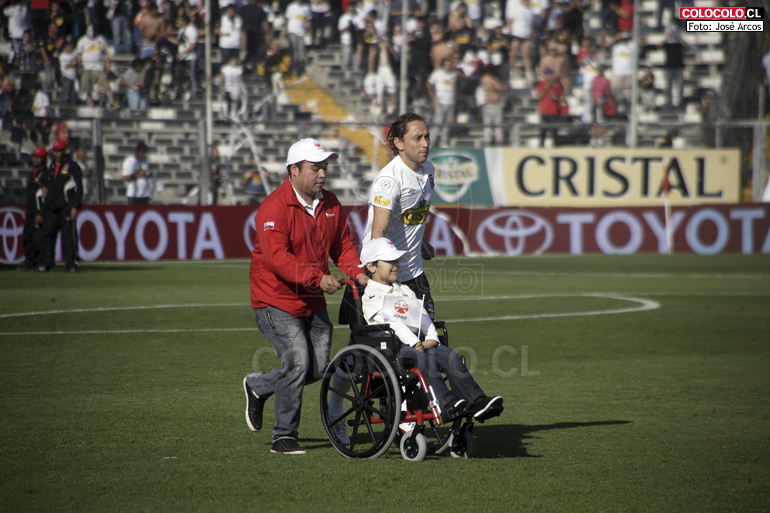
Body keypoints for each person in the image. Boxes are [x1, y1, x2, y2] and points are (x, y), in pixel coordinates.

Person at [243, 138, 368, 455]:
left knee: (316, 367)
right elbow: (278, 259)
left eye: (325, 167)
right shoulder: (273, 207)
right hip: (274, 299)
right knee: (298, 361)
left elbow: (344, 248)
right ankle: (283, 436)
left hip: (311, 299)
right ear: (294, 170)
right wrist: (318, 277)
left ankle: (259, 386)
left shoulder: (331, 204)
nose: (322, 174)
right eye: (315, 168)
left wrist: (360, 274)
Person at [359, 237, 504, 422]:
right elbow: (393, 324)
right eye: (390, 261)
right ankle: (446, 404)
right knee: (419, 357)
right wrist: (416, 343)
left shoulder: (405, 290)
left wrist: (433, 337)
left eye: (396, 260)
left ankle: (476, 400)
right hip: (391, 350)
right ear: (371, 267)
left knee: (447, 354)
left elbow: (421, 316)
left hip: (415, 343)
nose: (396, 265)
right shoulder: (371, 296)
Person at [362, 112, 436, 320]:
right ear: (399, 143)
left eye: (427, 137)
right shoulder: (390, 180)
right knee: (387, 343)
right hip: (389, 277)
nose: (425, 143)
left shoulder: (429, 170)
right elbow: (378, 232)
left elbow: (410, 215)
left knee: (428, 337)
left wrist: (422, 242)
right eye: (417, 138)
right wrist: (383, 281)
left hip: (415, 274)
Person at [36, 138, 83, 273]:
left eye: (58, 151)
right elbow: (47, 180)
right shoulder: (51, 166)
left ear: (64, 151)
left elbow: (79, 188)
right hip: (51, 207)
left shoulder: (73, 167)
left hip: (66, 207)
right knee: (47, 236)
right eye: (54, 151)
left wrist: (75, 205)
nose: (55, 154)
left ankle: (71, 264)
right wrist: (44, 185)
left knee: (68, 237)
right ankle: (47, 263)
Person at [76, 25, 118, 108]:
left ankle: (112, 102)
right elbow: (79, 55)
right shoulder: (82, 41)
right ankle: (90, 102)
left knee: (105, 86)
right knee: (88, 87)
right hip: (87, 68)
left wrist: (108, 66)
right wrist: (79, 67)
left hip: (99, 67)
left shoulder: (101, 39)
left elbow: (105, 54)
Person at [21, 147, 48, 271]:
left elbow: (44, 195)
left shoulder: (45, 174)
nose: (35, 159)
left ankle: (41, 263)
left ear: (43, 159)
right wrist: (26, 209)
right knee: (27, 237)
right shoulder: (32, 173)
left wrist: (41, 212)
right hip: (30, 210)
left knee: (38, 239)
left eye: (38, 157)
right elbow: (30, 194)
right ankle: (29, 263)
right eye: (34, 157)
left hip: (38, 210)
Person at [427, 58, 457, 148]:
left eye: (449, 65)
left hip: (450, 102)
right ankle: (431, 142)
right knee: (438, 122)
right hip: (440, 101)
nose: (448, 67)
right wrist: (432, 95)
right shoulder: (437, 73)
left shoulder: (454, 74)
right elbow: (429, 83)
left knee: (447, 123)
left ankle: (443, 142)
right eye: (446, 65)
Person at [659, 25, 689, 110]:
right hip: (669, 68)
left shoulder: (679, 43)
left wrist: (679, 37)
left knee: (680, 86)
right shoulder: (667, 44)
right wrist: (667, 37)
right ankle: (669, 103)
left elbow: (686, 46)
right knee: (668, 86)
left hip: (679, 67)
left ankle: (680, 103)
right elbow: (659, 45)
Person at [535, 67, 564, 147]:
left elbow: (563, 97)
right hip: (545, 111)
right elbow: (539, 97)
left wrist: (557, 97)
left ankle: (555, 146)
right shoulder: (541, 84)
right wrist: (547, 87)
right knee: (543, 132)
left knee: (555, 132)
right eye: (548, 74)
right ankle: (541, 146)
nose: (550, 76)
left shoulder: (558, 84)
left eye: (551, 74)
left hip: (554, 112)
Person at [479, 65, 507, 146]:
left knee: (487, 124)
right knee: (498, 124)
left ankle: (487, 141)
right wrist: (507, 87)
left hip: (486, 103)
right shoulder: (493, 79)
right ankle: (499, 141)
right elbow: (500, 89)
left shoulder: (483, 78)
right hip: (495, 102)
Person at [285, 0, 311, 76]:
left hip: (302, 32)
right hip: (293, 31)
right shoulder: (291, 6)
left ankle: (300, 68)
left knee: (301, 51)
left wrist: (309, 32)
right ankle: (292, 68)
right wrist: (286, 30)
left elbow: (309, 20)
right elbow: (287, 19)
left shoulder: (306, 7)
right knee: (293, 50)